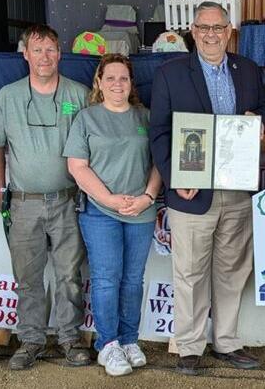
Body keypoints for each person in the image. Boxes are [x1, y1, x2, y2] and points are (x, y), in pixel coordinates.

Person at [149, 1, 265, 375]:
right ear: (192, 30)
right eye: (203, 28)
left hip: (236, 189)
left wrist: (260, 118)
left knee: (232, 270)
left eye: (218, 28)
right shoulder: (171, 73)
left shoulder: (248, 70)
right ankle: (189, 346)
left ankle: (226, 342)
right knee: (189, 272)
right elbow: (159, 132)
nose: (210, 35)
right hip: (191, 192)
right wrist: (176, 177)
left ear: (229, 30)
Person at [0, 24, 91, 370]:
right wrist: (2, 192)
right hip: (23, 202)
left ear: (60, 54)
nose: (44, 57)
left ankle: (69, 338)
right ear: (25, 54)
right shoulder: (7, 96)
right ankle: (31, 339)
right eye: (37, 50)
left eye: (50, 50)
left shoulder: (78, 94)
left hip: (68, 201)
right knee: (28, 277)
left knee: (69, 275)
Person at [64, 54, 162, 376]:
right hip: (100, 211)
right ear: (99, 83)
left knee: (133, 280)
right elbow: (77, 166)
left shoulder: (146, 117)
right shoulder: (86, 118)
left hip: (140, 211)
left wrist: (147, 197)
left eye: (123, 78)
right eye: (111, 78)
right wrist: (108, 198)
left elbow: (157, 163)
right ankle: (108, 344)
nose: (117, 84)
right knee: (107, 280)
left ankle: (130, 339)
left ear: (132, 83)